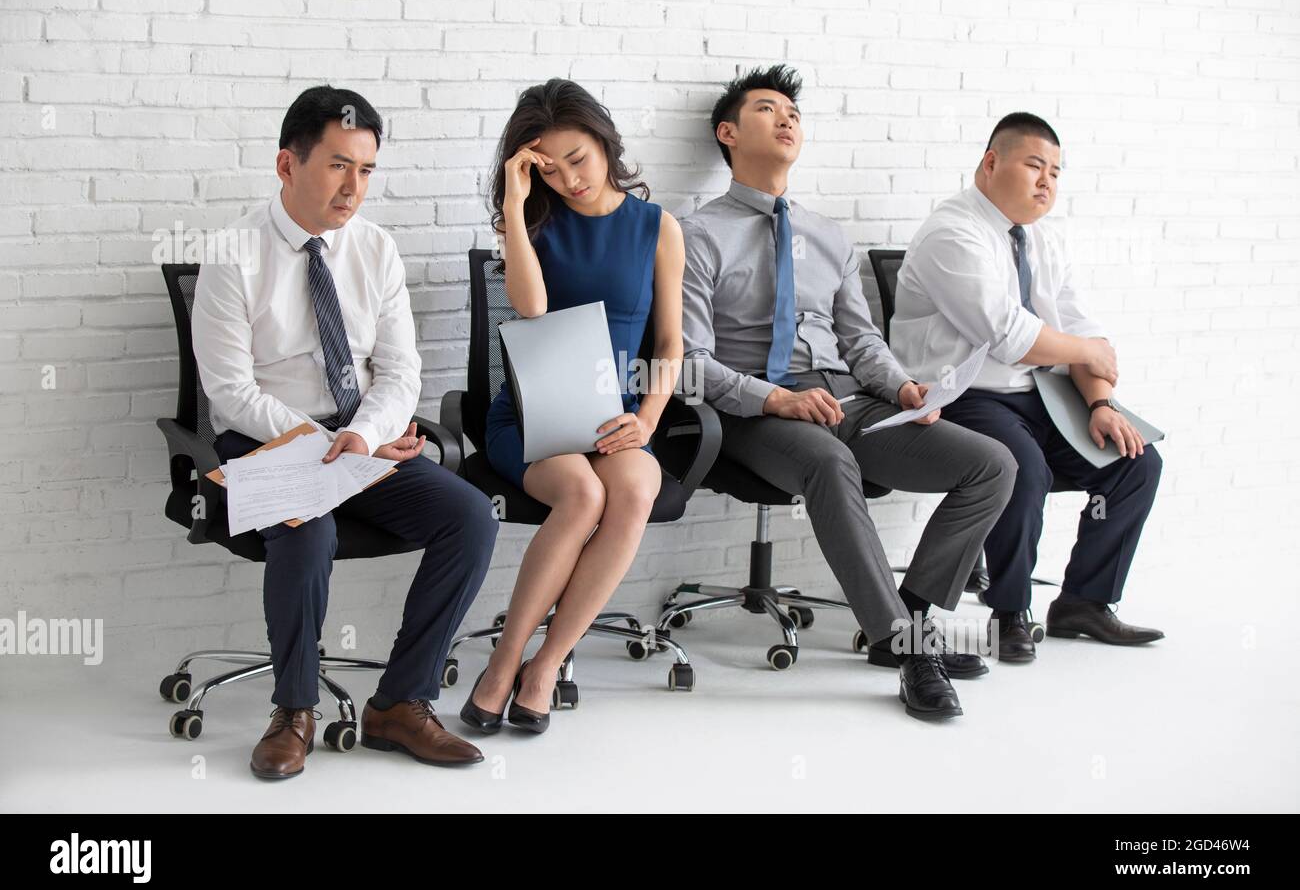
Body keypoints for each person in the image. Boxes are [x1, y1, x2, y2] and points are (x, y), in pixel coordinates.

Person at [680, 65, 1017, 721]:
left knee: (991, 464)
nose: (787, 120)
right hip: (758, 409)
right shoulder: (696, 235)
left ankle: (912, 613)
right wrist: (774, 400)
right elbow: (689, 363)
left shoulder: (829, 238)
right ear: (727, 132)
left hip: (849, 401)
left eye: (794, 114)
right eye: (768, 110)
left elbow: (861, 341)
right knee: (829, 461)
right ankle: (908, 648)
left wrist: (904, 387)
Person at [192, 85, 498, 779]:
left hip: (358, 438)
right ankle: (294, 710)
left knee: (471, 517)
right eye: (337, 166)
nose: (353, 188)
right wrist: (320, 442)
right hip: (265, 436)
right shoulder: (232, 254)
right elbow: (231, 393)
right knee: (310, 529)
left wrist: (362, 436)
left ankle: (400, 704)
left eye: (366, 170)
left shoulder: (375, 250)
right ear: (287, 165)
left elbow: (400, 371)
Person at [891, 112, 1165, 664]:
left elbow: (1081, 331)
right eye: (1035, 165)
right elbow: (1009, 336)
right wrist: (1085, 352)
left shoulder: (1043, 242)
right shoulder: (953, 232)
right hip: (962, 396)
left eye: (1057, 173)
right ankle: (1010, 611)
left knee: (1137, 461)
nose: (1047, 182)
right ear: (990, 163)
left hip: (1040, 397)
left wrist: (1101, 403)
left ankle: (1085, 602)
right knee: (1023, 466)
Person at [459, 79, 684, 736]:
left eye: (578, 160)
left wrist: (647, 417)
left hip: (612, 416)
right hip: (535, 415)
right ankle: (503, 663)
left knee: (635, 489)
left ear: (605, 144)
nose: (569, 179)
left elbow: (670, 342)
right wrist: (515, 199)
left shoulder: (656, 227)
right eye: (549, 168)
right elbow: (529, 307)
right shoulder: (535, 219)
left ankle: (546, 663)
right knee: (582, 496)